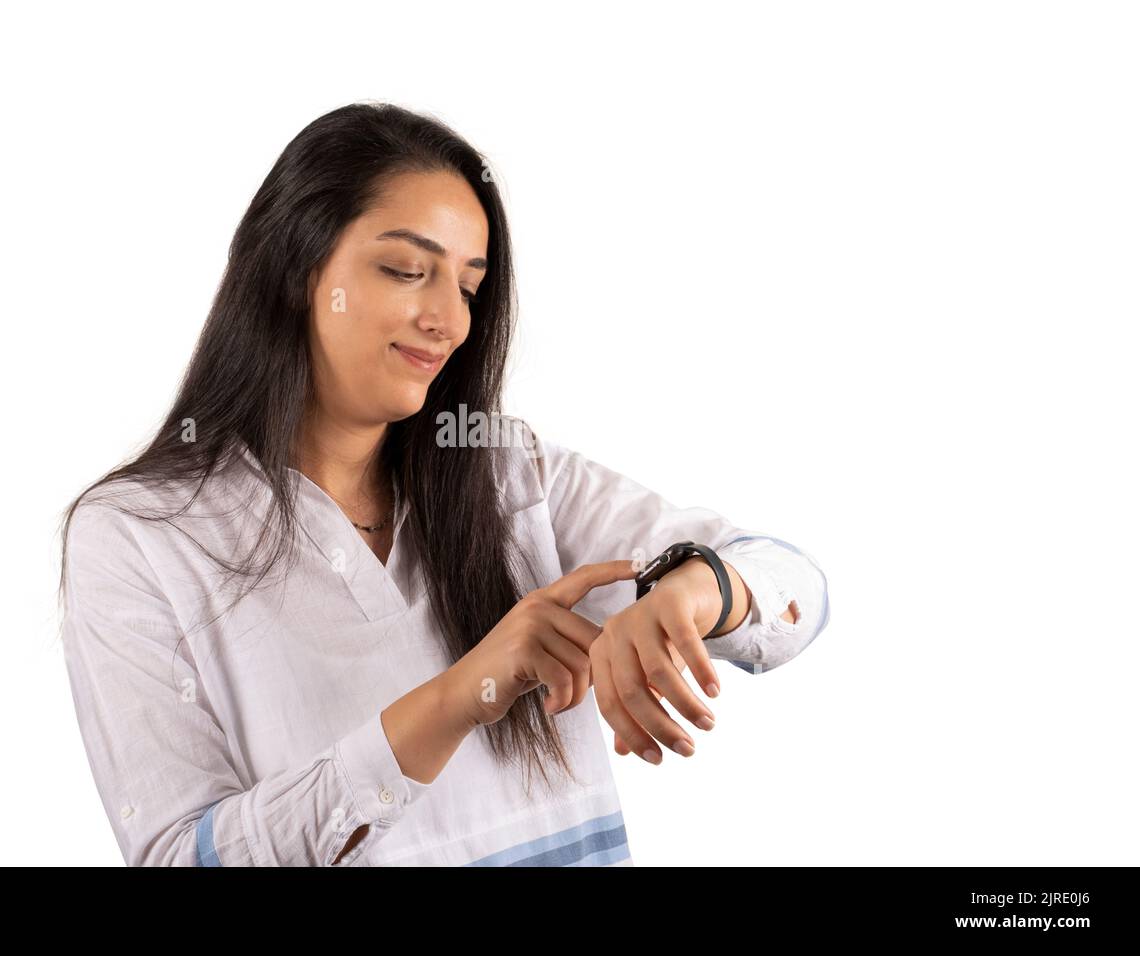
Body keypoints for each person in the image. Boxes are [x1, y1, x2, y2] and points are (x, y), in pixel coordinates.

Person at [58, 102, 830, 867]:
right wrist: (457, 698)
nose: (449, 321)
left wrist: (687, 595)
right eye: (405, 271)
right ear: (296, 268)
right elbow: (176, 857)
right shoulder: (138, 536)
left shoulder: (507, 475)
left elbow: (793, 585)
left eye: (467, 286)